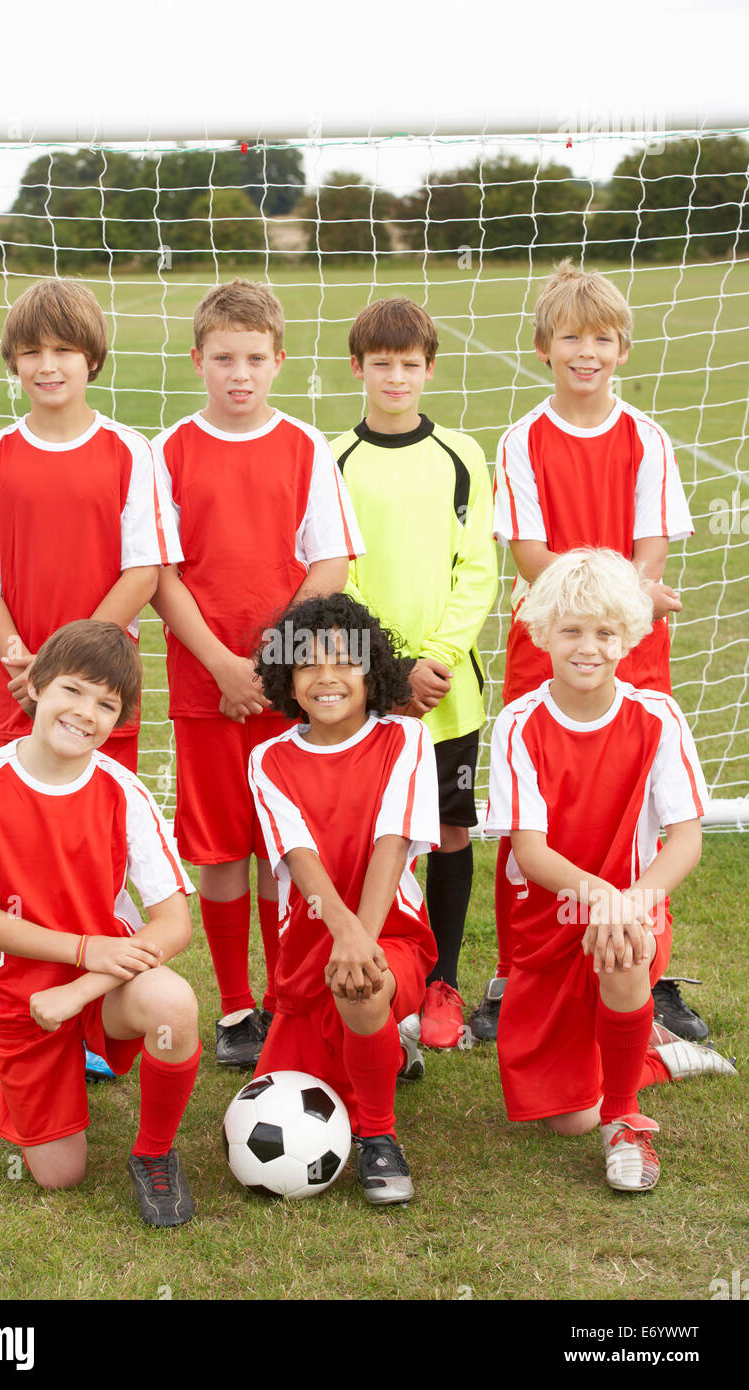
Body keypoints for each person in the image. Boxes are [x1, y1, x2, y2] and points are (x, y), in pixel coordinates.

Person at [473, 258, 705, 1044]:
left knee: (638, 812)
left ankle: (647, 963)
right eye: (571, 336)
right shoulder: (521, 440)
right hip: (550, 642)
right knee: (533, 822)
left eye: (602, 339)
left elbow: (654, 546)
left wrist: (626, 609)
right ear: (544, 346)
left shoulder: (646, 436)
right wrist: (601, 602)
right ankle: (518, 970)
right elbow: (531, 555)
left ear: (622, 349)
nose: (586, 352)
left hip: (629, 643)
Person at [151, 280, 364, 1068]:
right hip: (206, 687)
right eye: (222, 359)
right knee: (217, 848)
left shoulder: (306, 446)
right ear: (198, 361)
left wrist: (269, 661)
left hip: (288, 686)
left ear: (278, 360)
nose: (238, 374)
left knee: (280, 844)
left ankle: (284, 998)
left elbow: (330, 561)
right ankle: (236, 1007)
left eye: (253, 359)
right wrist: (219, 663)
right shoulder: (165, 451)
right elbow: (160, 571)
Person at [0, 621, 201, 1227]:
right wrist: (81, 950)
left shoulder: (122, 788)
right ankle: (38, 1080)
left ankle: (154, 1153)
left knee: (174, 1006)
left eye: (107, 704)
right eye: (74, 691)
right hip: (26, 995)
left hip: (99, 984)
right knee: (59, 1176)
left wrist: (83, 979)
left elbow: (174, 922)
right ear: (38, 685)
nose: (86, 713)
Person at [485, 551, 735, 1192]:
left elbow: (684, 840)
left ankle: (627, 1123)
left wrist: (628, 903)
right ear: (542, 634)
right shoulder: (519, 723)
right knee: (568, 1117)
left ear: (629, 636)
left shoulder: (658, 717)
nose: (588, 646)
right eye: (571, 630)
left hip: (631, 910)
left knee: (623, 948)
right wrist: (599, 897)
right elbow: (530, 850)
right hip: (553, 920)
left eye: (605, 631)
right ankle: (656, 1057)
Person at [332, 298, 497, 1050]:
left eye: (409, 364)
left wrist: (436, 659)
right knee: (373, 840)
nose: (395, 376)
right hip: (368, 694)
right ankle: (380, 971)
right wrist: (392, 668)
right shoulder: (334, 459)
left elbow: (479, 571)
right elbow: (341, 575)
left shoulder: (462, 453)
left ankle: (444, 985)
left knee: (451, 831)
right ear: (359, 368)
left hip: (447, 694)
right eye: (380, 364)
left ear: (430, 369)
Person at [248, 593, 440, 1206]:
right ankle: (388, 1043)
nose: (326, 677)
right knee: (289, 1089)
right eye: (306, 663)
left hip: (391, 937)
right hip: (311, 952)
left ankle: (379, 1140)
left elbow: (392, 842)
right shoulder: (267, 759)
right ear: (287, 677)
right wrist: (343, 936)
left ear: (371, 670)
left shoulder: (405, 738)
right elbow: (302, 862)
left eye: (344, 660)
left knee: (363, 988)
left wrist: (361, 943)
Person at [0, 276, 175, 774]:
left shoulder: (131, 453)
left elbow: (143, 574)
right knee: (20, 817)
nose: (47, 366)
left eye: (64, 349)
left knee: (102, 817)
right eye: (31, 352)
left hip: (100, 680)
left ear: (92, 358)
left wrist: (68, 670)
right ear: (14, 363)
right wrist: (20, 663)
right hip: (17, 681)